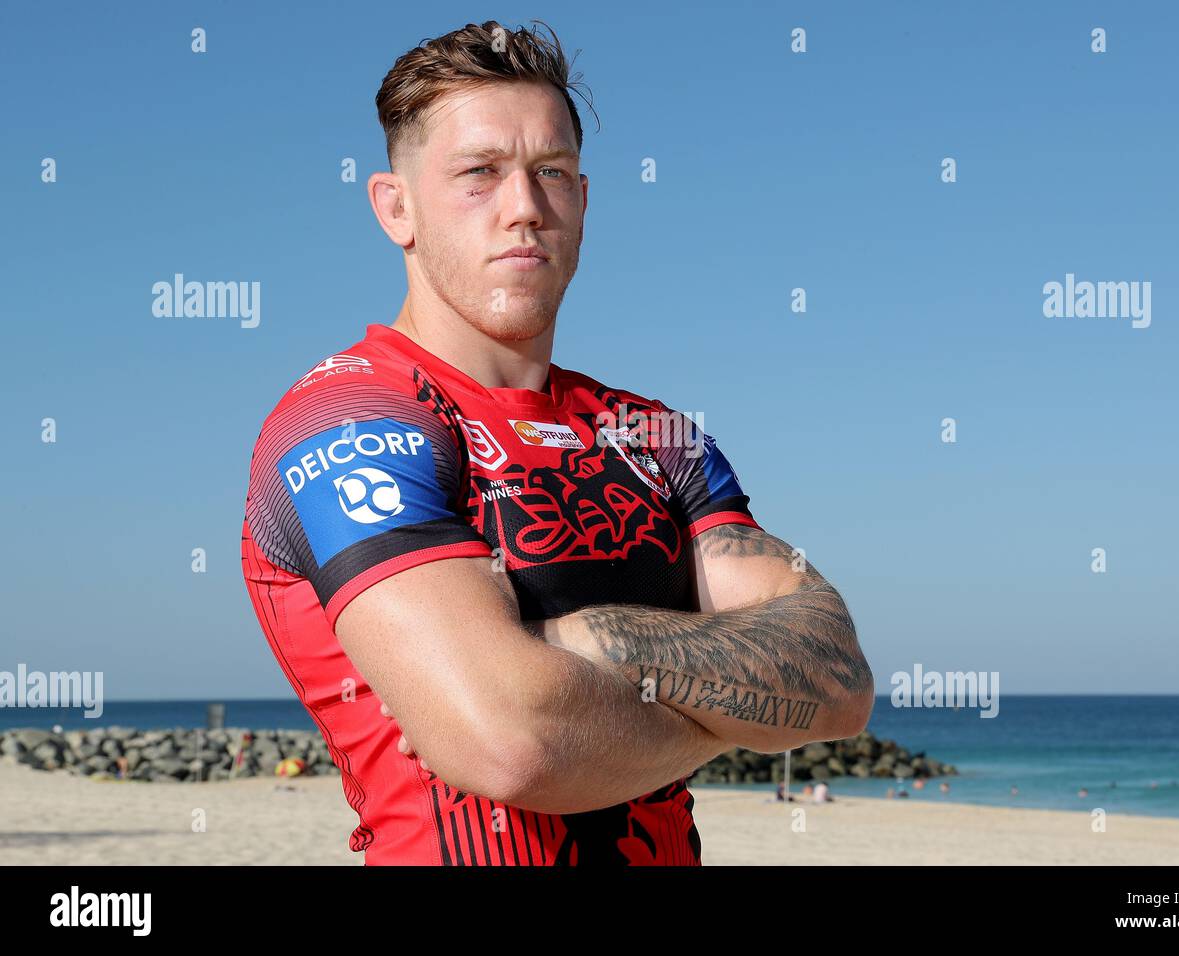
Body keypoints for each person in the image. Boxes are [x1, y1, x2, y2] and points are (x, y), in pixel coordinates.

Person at [239, 20, 874, 866]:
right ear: (396, 208)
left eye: (552, 175)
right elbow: (512, 742)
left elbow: (835, 678)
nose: (525, 209)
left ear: (583, 197)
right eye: (479, 174)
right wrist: (729, 715)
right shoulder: (350, 420)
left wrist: (569, 647)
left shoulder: (656, 434)